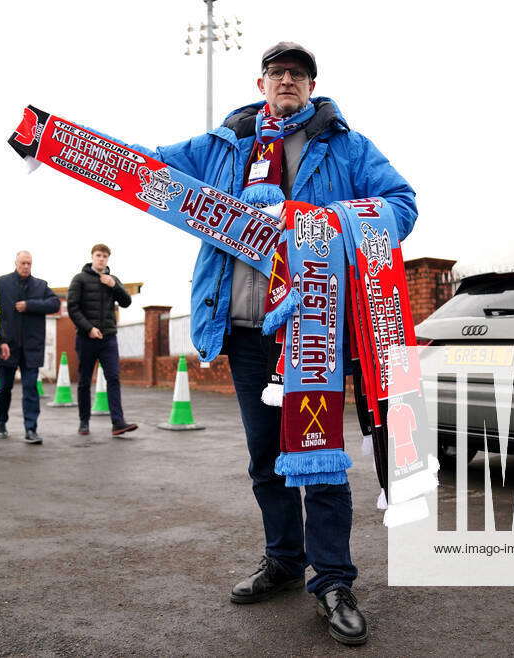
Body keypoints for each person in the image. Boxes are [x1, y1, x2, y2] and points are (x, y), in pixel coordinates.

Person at [128, 42, 417, 645]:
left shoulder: (347, 145)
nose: (288, 80)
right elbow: (145, 169)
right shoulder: (223, 145)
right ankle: (284, 562)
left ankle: (334, 579)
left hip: (312, 326)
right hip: (241, 328)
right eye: (279, 72)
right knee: (266, 458)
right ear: (261, 81)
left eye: (299, 73)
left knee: (320, 457)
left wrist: (311, 220)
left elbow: (400, 206)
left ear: (312, 85)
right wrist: (55, 147)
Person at [67, 243, 136, 437]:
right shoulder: (79, 279)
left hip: (108, 338)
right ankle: (84, 422)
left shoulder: (112, 280)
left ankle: (118, 423)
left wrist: (115, 286)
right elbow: (73, 308)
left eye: (105, 256)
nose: (101, 259)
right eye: (98, 255)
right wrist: (88, 328)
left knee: (113, 378)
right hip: (86, 338)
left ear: (108, 259)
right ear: (92, 257)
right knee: (84, 381)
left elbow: (127, 302)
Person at [0, 250, 61, 444]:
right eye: (23, 263)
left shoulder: (41, 285)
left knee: (31, 389)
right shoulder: (1, 283)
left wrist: (29, 305)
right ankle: (1, 423)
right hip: (7, 345)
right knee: (4, 388)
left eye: (29, 263)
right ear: (15, 263)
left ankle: (31, 429)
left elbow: (54, 303)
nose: (26, 266)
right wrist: (1, 340)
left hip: (32, 346)